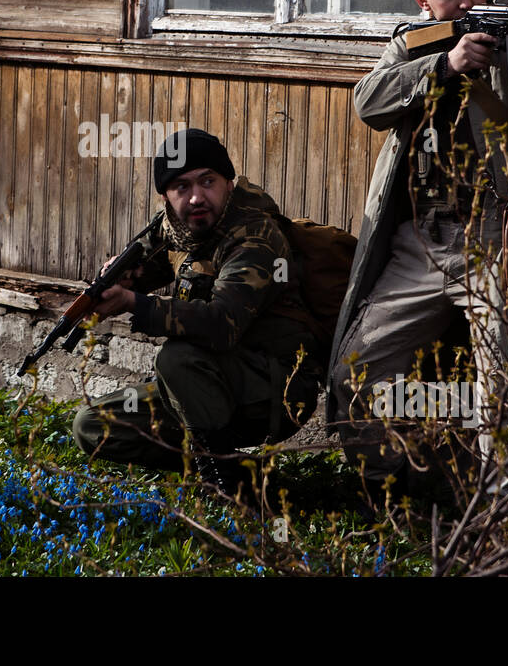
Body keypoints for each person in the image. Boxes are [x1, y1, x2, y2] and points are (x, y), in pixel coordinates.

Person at [327, 0, 508, 502]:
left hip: (494, 236)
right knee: (355, 370)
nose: (468, 1)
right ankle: (409, 486)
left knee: (505, 390)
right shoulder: (417, 42)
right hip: (420, 239)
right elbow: (368, 101)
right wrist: (445, 64)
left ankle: (507, 512)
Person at [71, 128, 322, 496]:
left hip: (275, 390)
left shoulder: (255, 236)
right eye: (182, 188)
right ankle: (237, 468)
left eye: (208, 181)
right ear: (166, 197)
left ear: (228, 182)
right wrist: (124, 277)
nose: (196, 198)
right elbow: (150, 263)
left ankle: (217, 478)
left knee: (178, 358)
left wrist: (133, 304)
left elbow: (222, 324)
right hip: (207, 387)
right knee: (91, 425)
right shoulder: (178, 229)